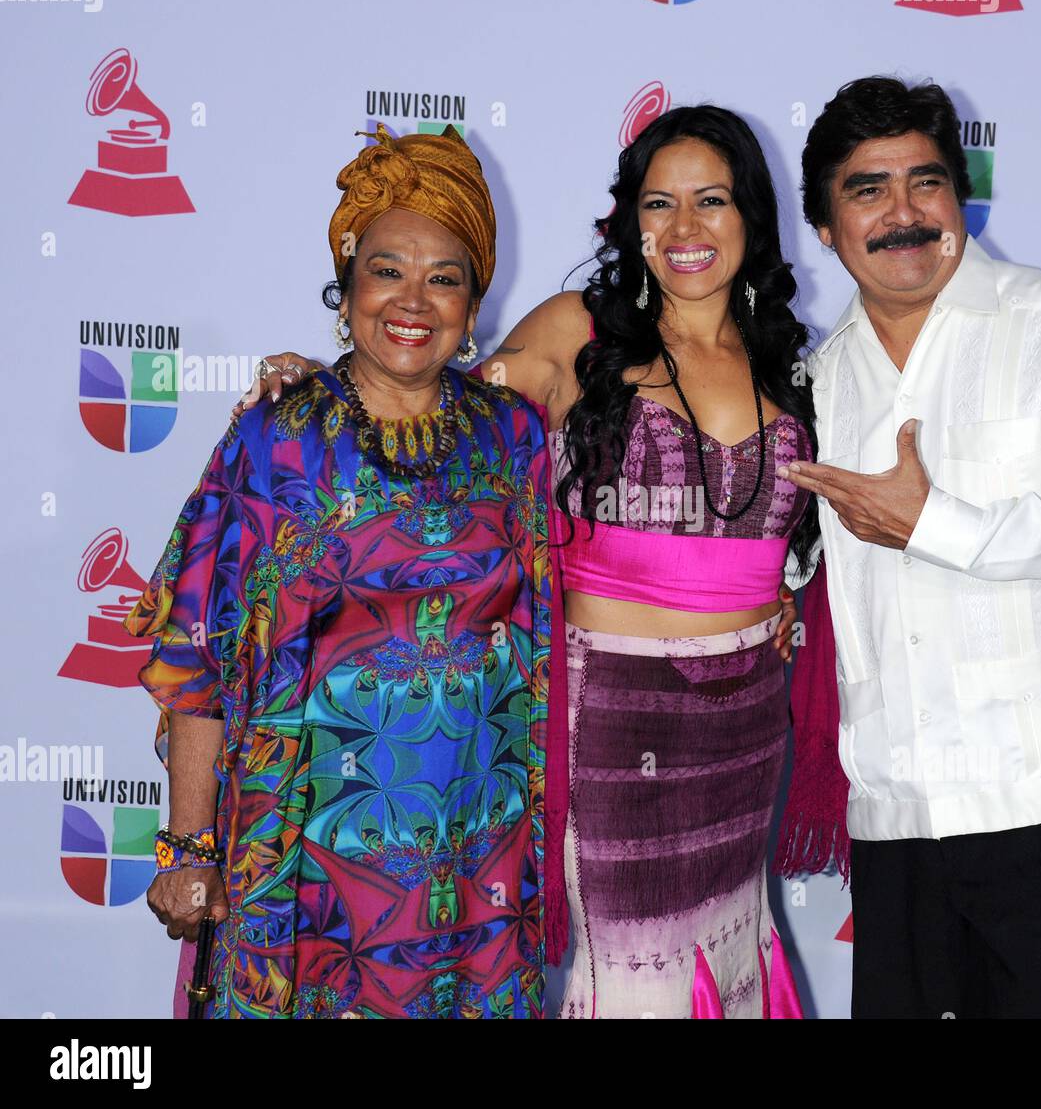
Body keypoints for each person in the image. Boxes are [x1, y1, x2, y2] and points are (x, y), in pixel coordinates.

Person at [245, 105, 816, 1018]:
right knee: (634, 982)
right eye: (659, 203)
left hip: (747, 729)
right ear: (630, 219)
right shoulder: (577, 331)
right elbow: (430, 410)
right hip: (617, 727)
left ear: (750, 213)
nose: (685, 229)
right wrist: (320, 387)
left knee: (731, 952)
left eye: (711, 201)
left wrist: (783, 594)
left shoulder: (787, 361)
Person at [124, 124, 552, 1018]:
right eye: (387, 269)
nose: (413, 299)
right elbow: (197, 651)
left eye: (446, 278)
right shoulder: (277, 440)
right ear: (347, 286)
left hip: (477, 857)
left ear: (475, 309)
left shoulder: (516, 436)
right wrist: (187, 847)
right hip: (304, 862)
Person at [779, 76, 1041, 1018]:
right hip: (901, 820)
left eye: (927, 181)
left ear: (960, 195)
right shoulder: (814, 380)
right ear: (827, 229)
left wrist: (934, 523)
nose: (905, 212)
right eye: (867, 189)